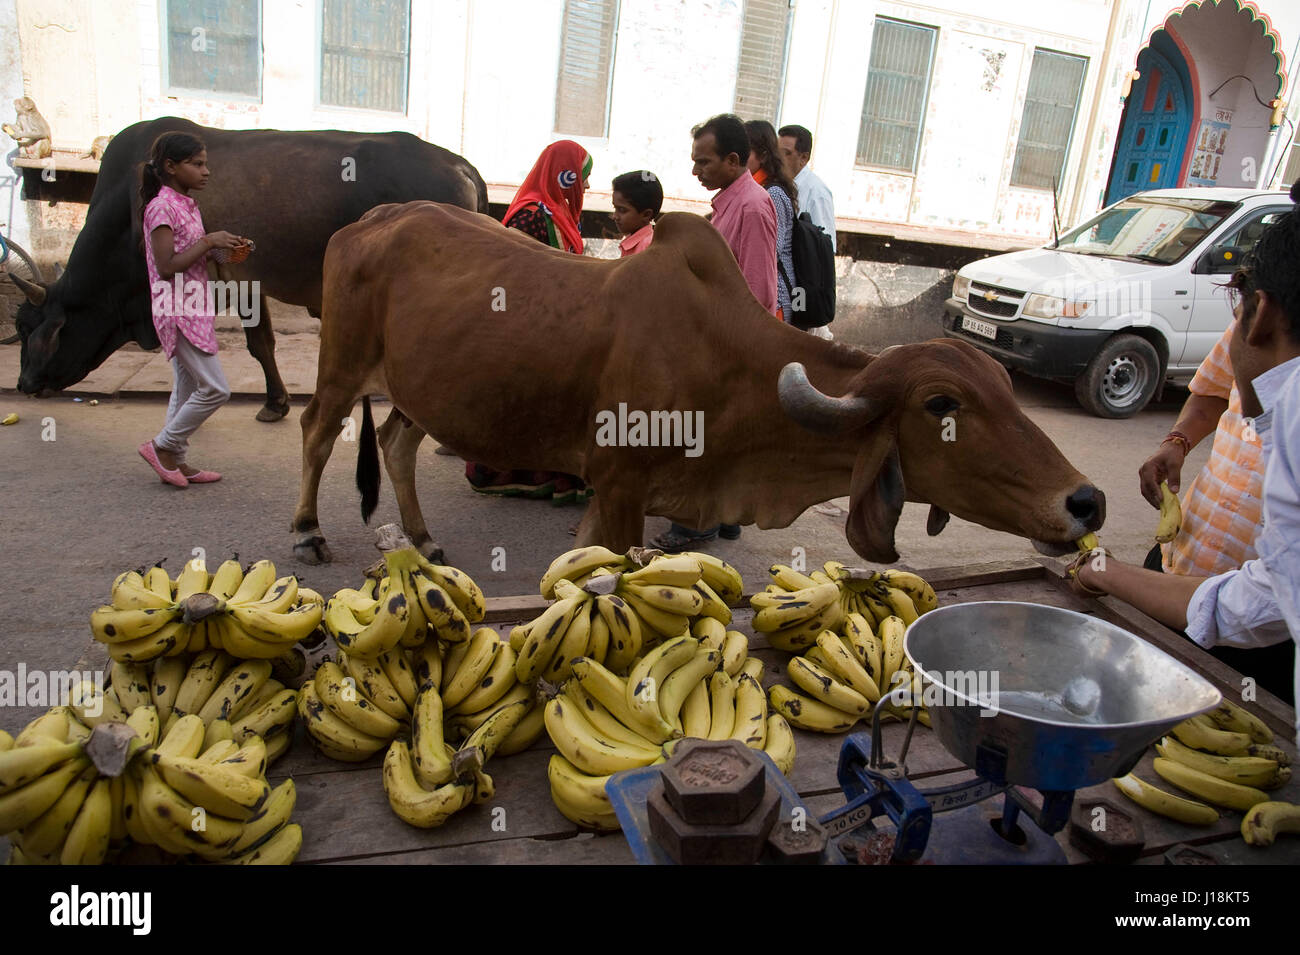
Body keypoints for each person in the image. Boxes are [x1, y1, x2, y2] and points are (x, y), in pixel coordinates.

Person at [1073, 185, 1300, 720]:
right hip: (1184, 564)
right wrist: (1177, 442)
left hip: (1249, 636)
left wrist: (1104, 572)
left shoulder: (1290, 426)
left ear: (1260, 312)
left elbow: (1256, 606)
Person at [649, 114, 776, 553]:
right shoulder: (729, 203)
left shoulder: (753, 208)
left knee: (698, 433)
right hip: (711, 338)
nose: (695, 171)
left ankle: (695, 524)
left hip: (727, 344)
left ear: (734, 160)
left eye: (703, 163)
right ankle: (724, 519)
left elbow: (758, 290)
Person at [464, 141, 594, 505]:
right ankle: (513, 472)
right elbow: (508, 272)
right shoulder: (531, 214)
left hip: (558, 324)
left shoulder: (559, 212)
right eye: (581, 178)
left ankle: (554, 473)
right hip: (529, 326)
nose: (583, 187)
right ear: (563, 174)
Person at [137, 131, 243, 487]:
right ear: (170, 167)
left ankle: (175, 461)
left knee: (185, 388)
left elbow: (193, 254)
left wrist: (225, 249)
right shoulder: (161, 207)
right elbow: (167, 266)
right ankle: (162, 447)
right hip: (176, 308)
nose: (206, 171)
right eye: (196, 164)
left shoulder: (186, 205)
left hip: (194, 306)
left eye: (205, 164)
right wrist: (209, 240)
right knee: (216, 389)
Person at [744, 120, 798, 323]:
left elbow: (768, 255)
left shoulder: (771, 194)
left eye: (745, 153)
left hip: (775, 301)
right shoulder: (757, 190)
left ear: (763, 155)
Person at [778, 124, 835, 253]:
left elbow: (826, 247)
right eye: (777, 153)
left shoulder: (817, 192)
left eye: (786, 153)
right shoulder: (780, 185)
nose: (779, 159)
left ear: (803, 158)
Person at [611, 170, 662, 257]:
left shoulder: (648, 248)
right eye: (615, 208)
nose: (614, 216)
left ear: (646, 215)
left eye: (622, 210)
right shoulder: (633, 242)